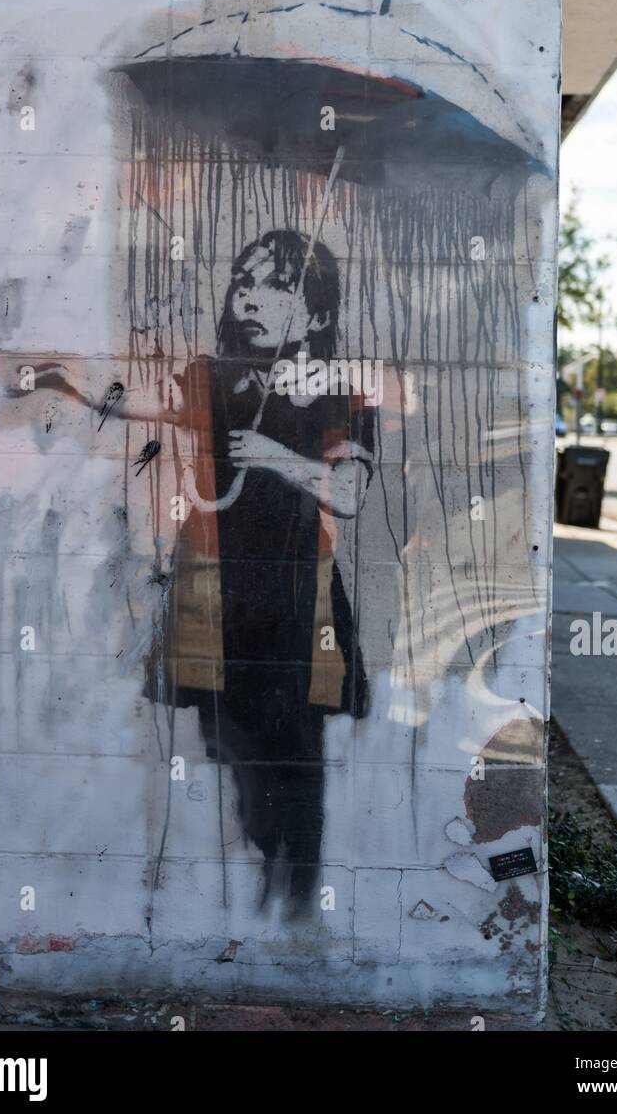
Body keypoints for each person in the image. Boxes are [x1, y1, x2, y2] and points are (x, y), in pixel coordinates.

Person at [36, 229, 374, 911]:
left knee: (295, 751)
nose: (251, 295)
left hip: (298, 597)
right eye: (243, 281)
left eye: (277, 286)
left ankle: (295, 896)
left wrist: (274, 455)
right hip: (215, 593)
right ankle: (248, 901)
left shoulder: (342, 390)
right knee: (233, 747)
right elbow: (141, 402)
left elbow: (352, 492)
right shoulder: (214, 376)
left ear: (316, 314)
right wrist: (66, 385)